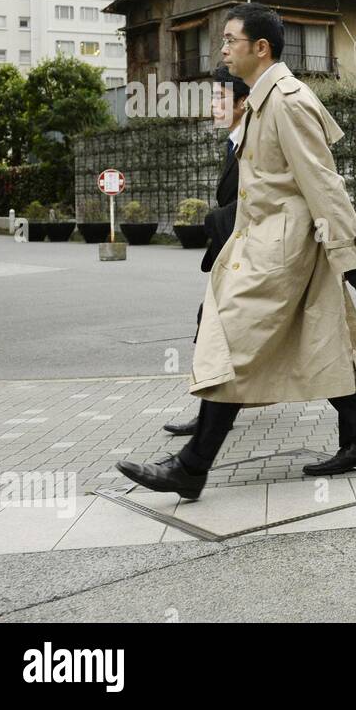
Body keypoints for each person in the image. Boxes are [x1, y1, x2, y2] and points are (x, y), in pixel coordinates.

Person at [117, 2, 356, 499]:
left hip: (280, 252)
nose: (221, 48)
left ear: (260, 48)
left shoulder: (288, 101)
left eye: (230, 40)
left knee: (232, 345)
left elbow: (322, 184)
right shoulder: (266, 100)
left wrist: (354, 256)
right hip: (271, 246)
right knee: (322, 340)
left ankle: (192, 466)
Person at [164, 65, 249, 437]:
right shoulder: (234, 141)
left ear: (243, 102)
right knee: (218, 329)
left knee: (219, 328)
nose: (214, 105)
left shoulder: (254, 141)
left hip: (254, 257)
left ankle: (204, 437)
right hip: (235, 257)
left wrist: (217, 219)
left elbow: (263, 199)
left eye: (220, 97)